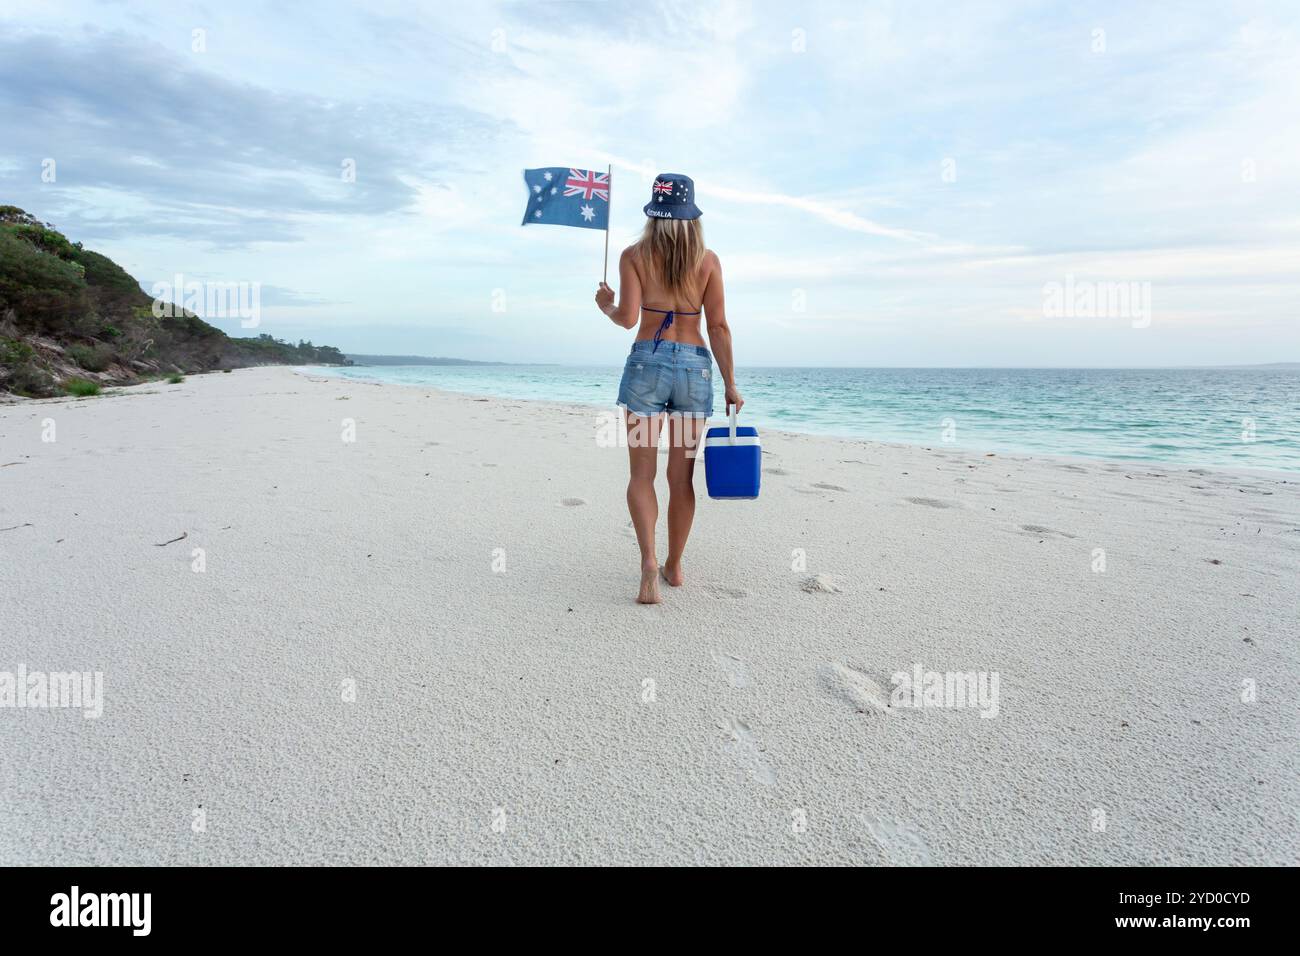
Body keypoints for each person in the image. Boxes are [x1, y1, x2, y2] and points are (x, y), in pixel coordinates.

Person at [595, 173, 743, 604]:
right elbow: (717, 326)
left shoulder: (634, 255)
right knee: (681, 478)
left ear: (653, 214)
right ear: (691, 216)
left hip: (646, 366)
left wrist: (606, 306)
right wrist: (731, 384)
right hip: (693, 371)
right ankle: (674, 566)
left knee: (642, 473)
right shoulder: (708, 260)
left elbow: (626, 318)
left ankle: (647, 562)